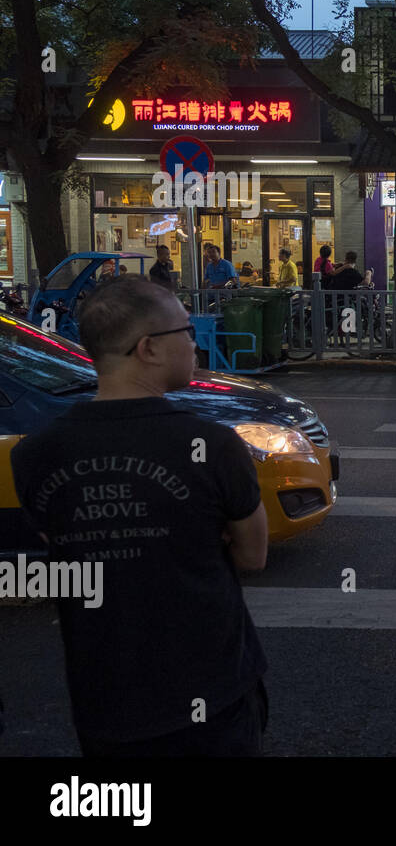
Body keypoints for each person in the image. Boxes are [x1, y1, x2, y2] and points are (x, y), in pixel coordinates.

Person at [10, 276, 269, 756]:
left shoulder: (35, 455)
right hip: (210, 690)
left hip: (104, 695)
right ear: (148, 348)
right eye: (186, 331)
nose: (194, 343)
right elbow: (253, 554)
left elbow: (62, 547)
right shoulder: (212, 445)